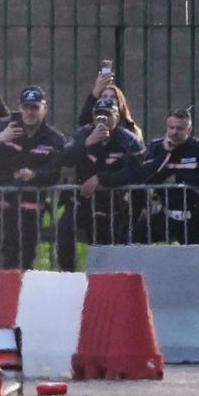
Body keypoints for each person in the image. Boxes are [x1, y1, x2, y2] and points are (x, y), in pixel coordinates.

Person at [0, 87, 72, 268]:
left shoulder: (53, 138)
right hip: (0, 209)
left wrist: (34, 175)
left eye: (34, 107)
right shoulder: (5, 126)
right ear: (20, 107)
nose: (29, 112)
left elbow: (54, 172)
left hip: (30, 211)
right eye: (26, 107)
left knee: (23, 263)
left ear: (44, 109)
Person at [64, 91, 144, 266]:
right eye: (98, 115)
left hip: (114, 205)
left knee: (113, 253)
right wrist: (86, 144)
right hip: (83, 203)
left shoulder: (128, 140)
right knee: (64, 231)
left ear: (116, 116)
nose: (103, 119)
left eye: (107, 115)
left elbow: (136, 173)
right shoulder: (83, 134)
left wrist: (101, 179)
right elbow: (65, 159)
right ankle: (67, 276)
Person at [137, 107, 199, 243]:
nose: (174, 132)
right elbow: (146, 178)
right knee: (135, 239)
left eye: (180, 129)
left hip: (192, 215)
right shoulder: (156, 147)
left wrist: (178, 179)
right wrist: (166, 153)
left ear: (189, 130)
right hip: (162, 212)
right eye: (171, 128)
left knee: (195, 257)